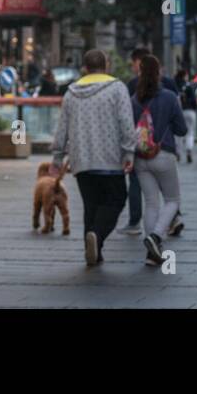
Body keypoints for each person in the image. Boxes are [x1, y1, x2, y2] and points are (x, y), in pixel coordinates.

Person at [51, 48, 136, 267]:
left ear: (85, 68)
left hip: (82, 160)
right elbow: (126, 123)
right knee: (116, 200)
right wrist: (129, 152)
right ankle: (97, 236)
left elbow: (62, 129)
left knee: (91, 205)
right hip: (110, 159)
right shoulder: (117, 89)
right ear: (106, 65)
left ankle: (94, 252)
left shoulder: (71, 93)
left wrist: (58, 158)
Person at [131, 55, 187, 265]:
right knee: (172, 200)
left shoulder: (134, 99)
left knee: (151, 202)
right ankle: (155, 237)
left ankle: (152, 254)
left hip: (140, 157)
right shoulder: (170, 97)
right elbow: (182, 128)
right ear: (159, 72)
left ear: (140, 72)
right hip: (164, 154)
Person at [119, 46, 152, 235]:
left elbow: (125, 114)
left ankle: (134, 222)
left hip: (138, 140)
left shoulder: (132, 84)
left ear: (139, 62)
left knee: (135, 181)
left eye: (133, 63)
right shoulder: (164, 82)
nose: (132, 67)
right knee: (165, 183)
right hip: (161, 143)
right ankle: (173, 217)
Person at [179, 72, 197, 164]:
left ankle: (177, 152)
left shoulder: (178, 86)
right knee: (190, 132)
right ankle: (189, 150)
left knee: (180, 133)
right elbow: (195, 101)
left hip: (181, 111)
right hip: (191, 111)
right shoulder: (190, 87)